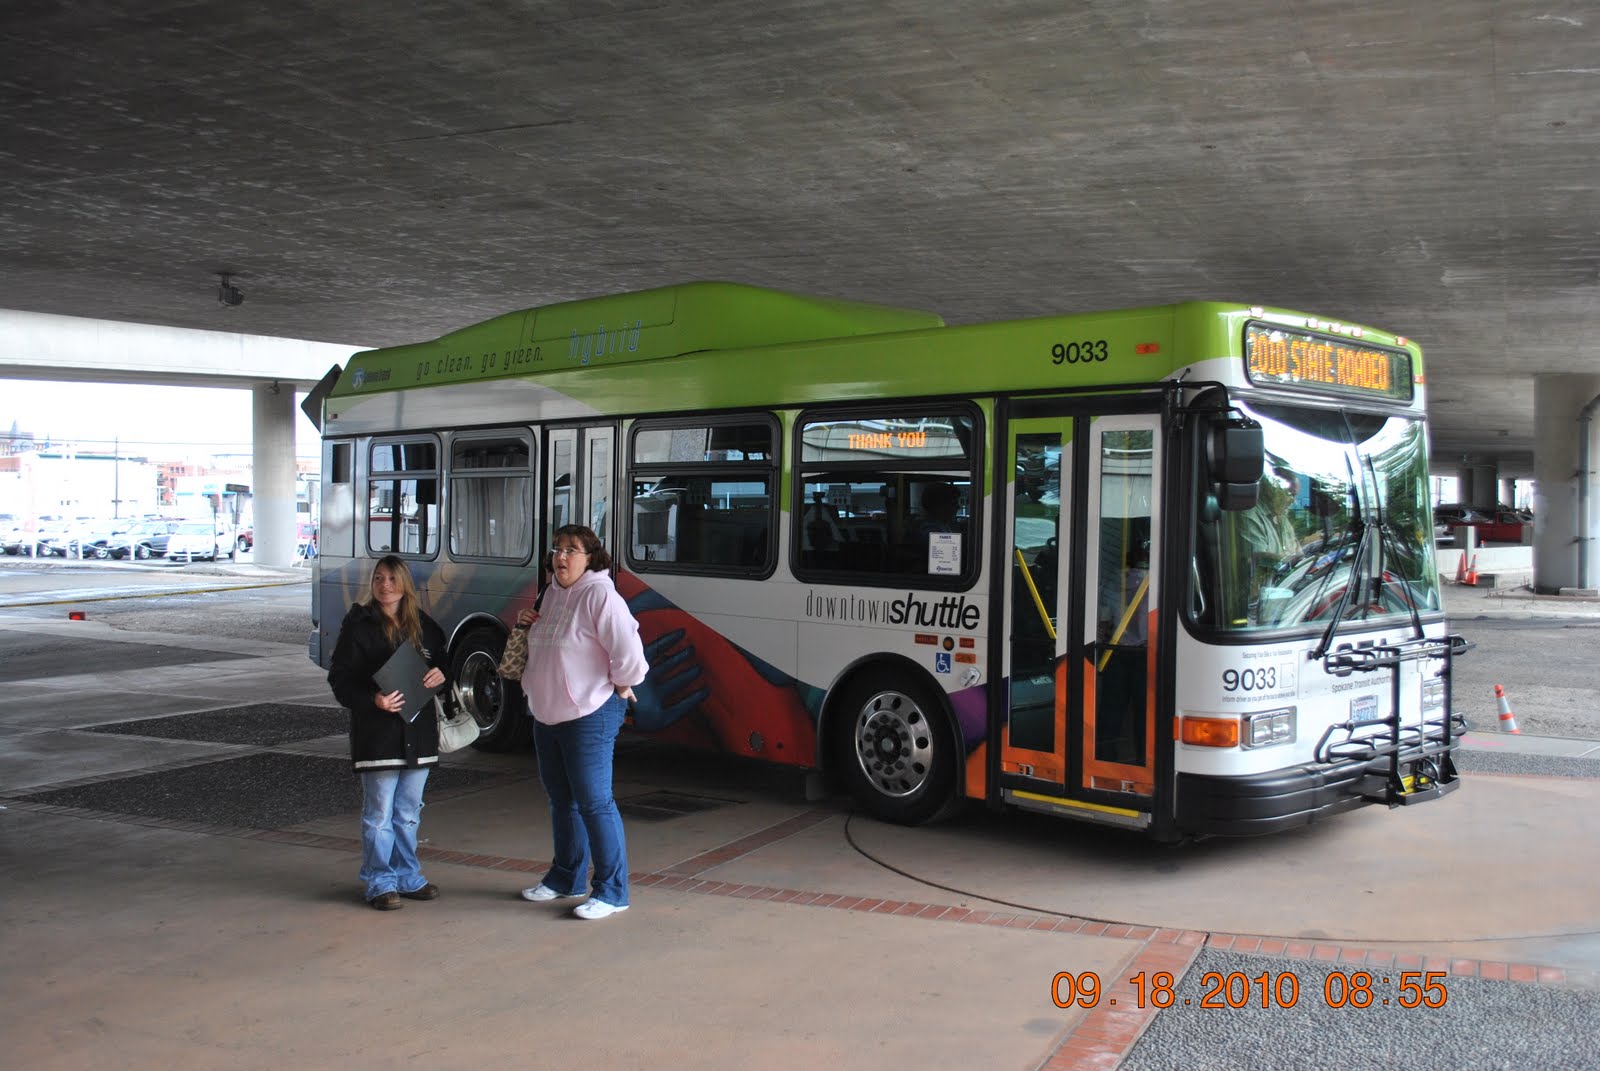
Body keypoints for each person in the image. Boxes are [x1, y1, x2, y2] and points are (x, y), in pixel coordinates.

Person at [516, 524, 650, 920]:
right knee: (562, 800)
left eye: (572, 550)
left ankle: (612, 891)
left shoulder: (600, 595)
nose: (561, 557)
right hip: (547, 713)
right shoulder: (551, 593)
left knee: (594, 801)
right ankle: (564, 879)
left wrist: (622, 684)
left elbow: (629, 651)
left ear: (591, 557)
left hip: (589, 713)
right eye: (557, 549)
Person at [327, 555, 450, 910]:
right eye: (379, 578)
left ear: (405, 584)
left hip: (418, 734)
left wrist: (441, 675)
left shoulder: (425, 626)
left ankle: (408, 876)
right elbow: (340, 679)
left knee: (409, 812)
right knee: (379, 813)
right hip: (378, 735)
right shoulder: (359, 625)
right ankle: (380, 881)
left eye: (392, 579)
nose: (384, 585)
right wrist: (373, 700)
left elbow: (444, 666)